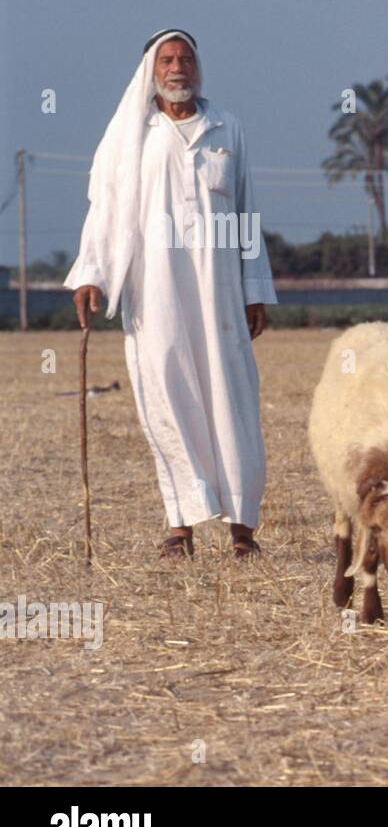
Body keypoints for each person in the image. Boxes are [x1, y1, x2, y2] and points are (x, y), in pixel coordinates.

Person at [65, 28, 276, 558]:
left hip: (221, 290)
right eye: (167, 59)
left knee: (232, 399)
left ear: (198, 67)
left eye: (185, 58)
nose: (177, 66)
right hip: (153, 289)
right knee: (165, 391)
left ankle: (242, 530)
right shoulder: (131, 137)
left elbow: (247, 212)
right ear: (150, 73)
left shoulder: (228, 128)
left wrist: (255, 289)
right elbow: (106, 211)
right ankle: (180, 526)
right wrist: (92, 273)